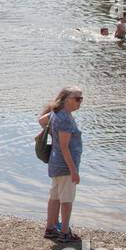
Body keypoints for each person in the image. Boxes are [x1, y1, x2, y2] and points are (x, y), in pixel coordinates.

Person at [38, 86, 84, 242]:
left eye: (81, 98)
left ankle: (50, 229)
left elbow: (41, 120)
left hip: (55, 162)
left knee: (55, 197)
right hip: (65, 166)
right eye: (77, 98)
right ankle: (64, 232)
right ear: (66, 99)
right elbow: (65, 147)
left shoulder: (56, 114)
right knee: (66, 200)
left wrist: (51, 132)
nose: (80, 101)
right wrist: (74, 171)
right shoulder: (64, 117)